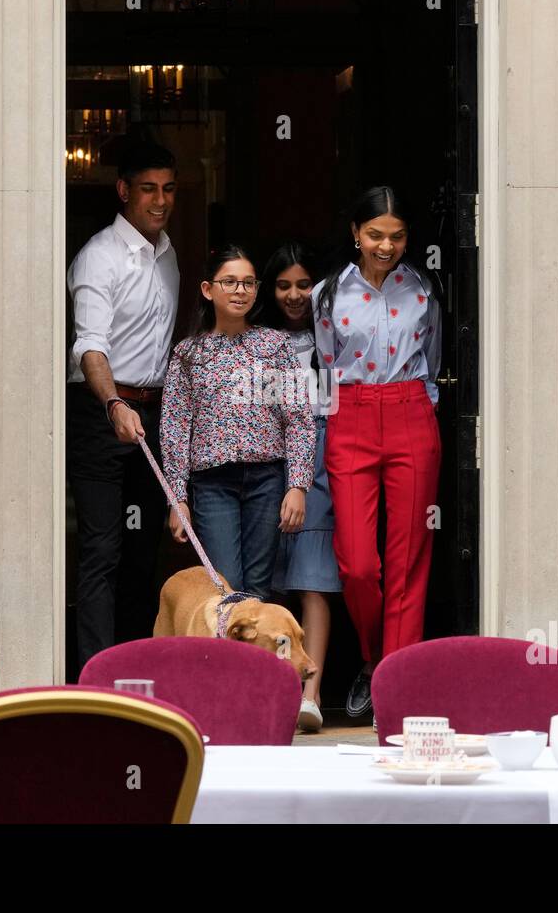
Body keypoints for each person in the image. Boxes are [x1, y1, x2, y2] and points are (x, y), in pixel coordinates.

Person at [313, 186, 444, 725]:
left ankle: (396, 675)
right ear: (355, 234)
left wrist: (422, 409)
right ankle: (372, 658)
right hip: (351, 414)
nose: (386, 245)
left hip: (411, 409)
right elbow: (324, 369)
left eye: (396, 236)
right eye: (375, 235)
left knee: (410, 556)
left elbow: (432, 361)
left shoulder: (426, 290)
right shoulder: (328, 295)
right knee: (359, 562)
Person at [67, 141, 180, 673]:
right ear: (124, 191)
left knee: (143, 551)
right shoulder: (99, 256)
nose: (160, 200)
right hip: (100, 414)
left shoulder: (168, 254)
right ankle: (95, 672)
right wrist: (112, 402)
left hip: (153, 416)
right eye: (148, 189)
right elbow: (90, 343)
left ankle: (135, 672)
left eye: (168, 189)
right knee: (101, 551)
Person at [160, 246, 315, 601]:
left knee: (260, 587)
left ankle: (254, 659)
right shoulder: (189, 354)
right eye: (229, 282)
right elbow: (175, 428)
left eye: (248, 283)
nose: (239, 290)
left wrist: (298, 485)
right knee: (224, 586)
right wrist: (177, 498)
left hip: (267, 480)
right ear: (207, 289)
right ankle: (229, 658)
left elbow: (298, 418)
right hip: (212, 484)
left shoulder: (274, 346)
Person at [261, 240, 342, 731]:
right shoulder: (254, 338)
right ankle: (272, 690)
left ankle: (311, 695)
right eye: (284, 285)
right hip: (267, 463)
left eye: (304, 285)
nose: (294, 295)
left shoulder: (335, 335)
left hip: (322, 460)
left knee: (314, 579)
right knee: (268, 583)